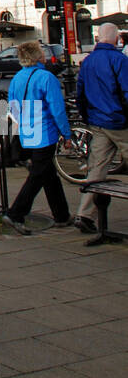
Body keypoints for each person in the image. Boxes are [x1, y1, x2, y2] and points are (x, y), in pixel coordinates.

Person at [3, 40, 72, 234]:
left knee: (48, 174)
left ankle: (62, 215)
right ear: (37, 57)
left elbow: (12, 109)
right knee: (38, 175)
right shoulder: (46, 77)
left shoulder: (17, 78)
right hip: (45, 132)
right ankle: (16, 213)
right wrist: (66, 134)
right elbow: (57, 109)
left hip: (27, 133)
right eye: (41, 53)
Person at [73, 22, 128, 233]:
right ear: (116, 38)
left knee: (97, 169)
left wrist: (89, 117)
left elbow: (80, 94)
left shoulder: (88, 62)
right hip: (118, 121)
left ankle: (84, 214)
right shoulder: (119, 60)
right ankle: (85, 216)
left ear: (98, 37)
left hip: (97, 122)